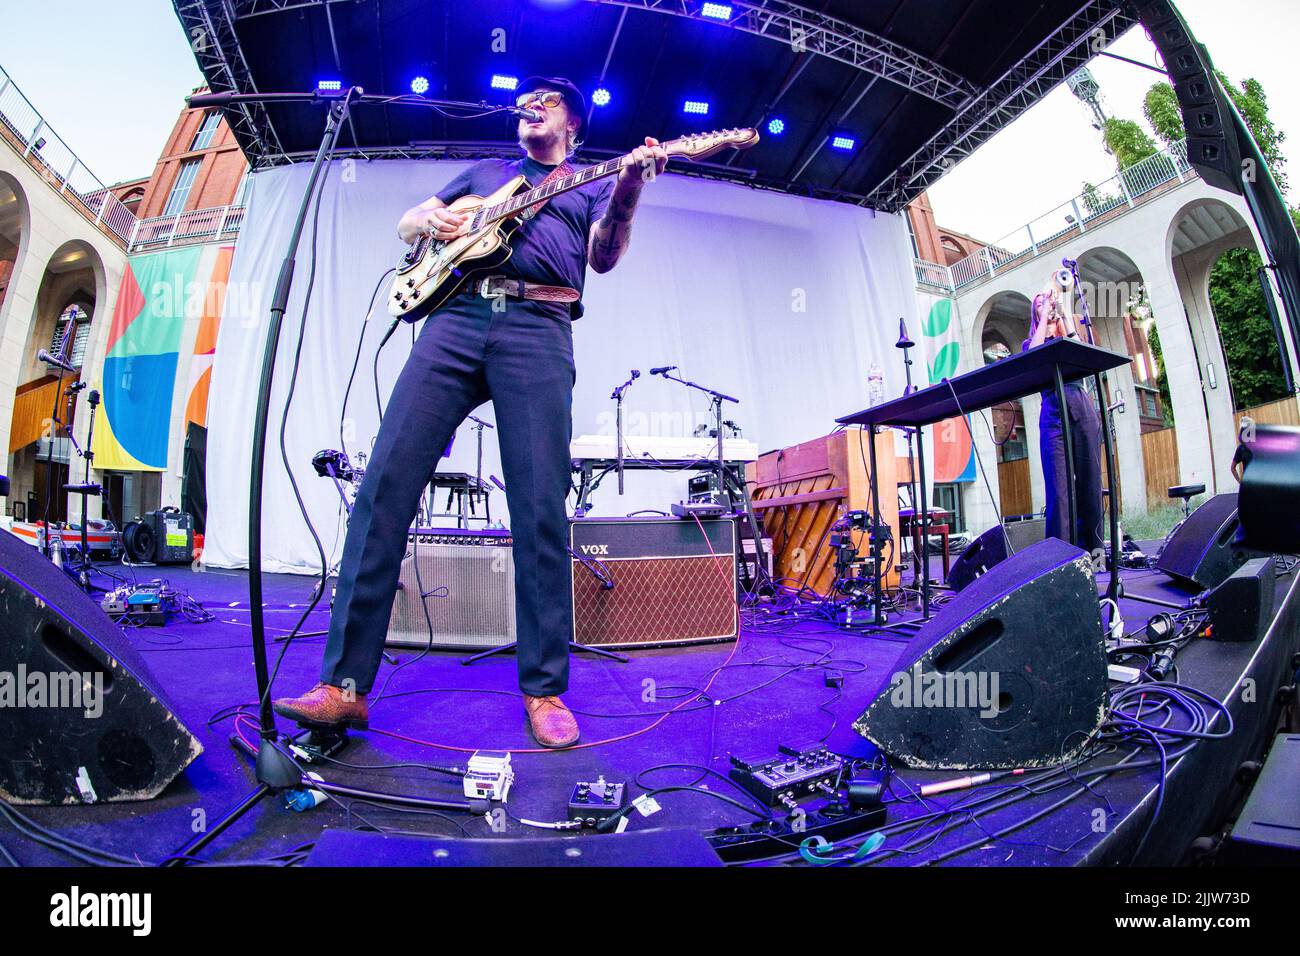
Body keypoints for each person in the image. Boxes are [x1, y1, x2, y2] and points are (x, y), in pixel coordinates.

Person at [273, 77, 667, 748]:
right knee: (384, 485)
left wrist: (630, 186)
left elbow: (602, 256)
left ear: (573, 122)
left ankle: (543, 690)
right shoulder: (486, 171)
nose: (531, 106)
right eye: (529, 99)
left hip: (539, 324)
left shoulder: (591, 181)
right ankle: (343, 687)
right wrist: (429, 220)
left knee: (539, 506)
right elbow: (408, 222)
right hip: (454, 317)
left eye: (547, 101)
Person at [1025, 269, 1103, 554]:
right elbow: (1031, 355)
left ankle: (1094, 554)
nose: (1045, 304)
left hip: (1081, 405)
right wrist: (1045, 317)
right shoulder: (1031, 341)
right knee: (1059, 488)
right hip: (1053, 410)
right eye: (1038, 304)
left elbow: (1085, 355)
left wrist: (1066, 314)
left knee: (1090, 480)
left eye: (1046, 301)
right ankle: (1060, 556)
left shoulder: (1068, 336)